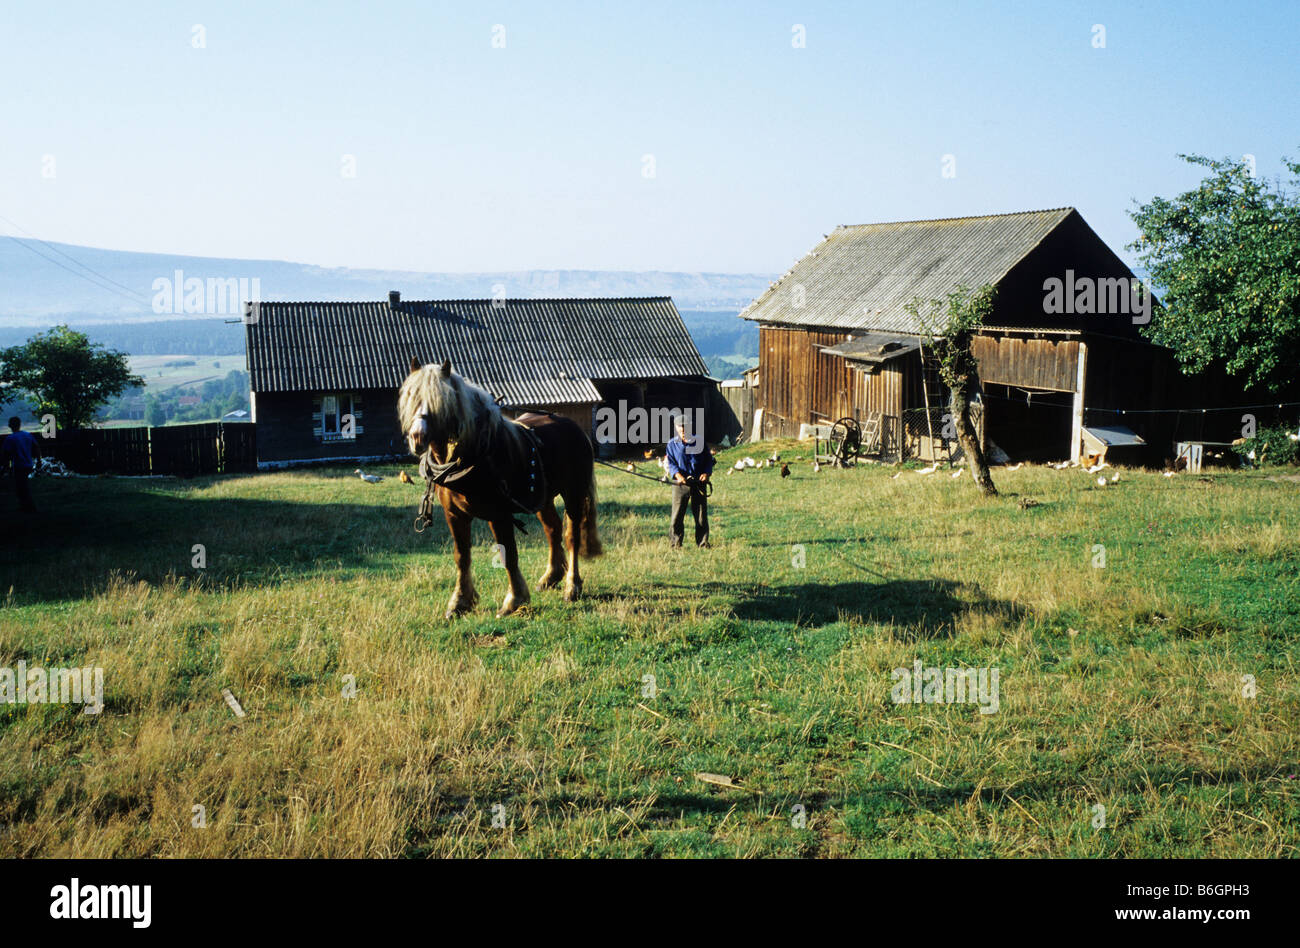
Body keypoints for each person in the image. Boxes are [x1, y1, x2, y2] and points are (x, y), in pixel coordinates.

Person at [665, 414, 714, 548]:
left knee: (701, 516)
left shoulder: (699, 441)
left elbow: (709, 460)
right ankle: (676, 544)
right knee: (677, 516)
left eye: (685, 426)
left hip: (698, 483)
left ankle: (703, 543)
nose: (683, 429)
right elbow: (671, 463)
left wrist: (706, 473)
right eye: (680, 427)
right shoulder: (671, 444)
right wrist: (677, 475)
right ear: (676, 427)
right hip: (680, 484)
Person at [2, 417, 38, 513]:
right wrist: (38, 461)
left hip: (19, 465)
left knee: (21, 487)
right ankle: (26, 506)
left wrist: (6, 467)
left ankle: (29, 507)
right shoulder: (27, 435)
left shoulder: (10, 438)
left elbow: (6, 455)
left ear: (11, 425)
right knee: (23, 486)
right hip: (28, 464)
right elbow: (36, 447)